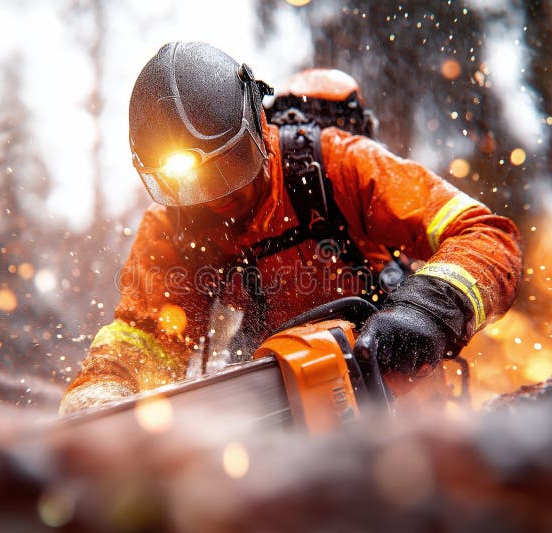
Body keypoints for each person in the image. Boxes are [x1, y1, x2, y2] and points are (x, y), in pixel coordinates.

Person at [59, 42, 522, 415]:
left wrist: (429, 312)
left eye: (232, 163)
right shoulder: (175, 228)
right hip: (274, 403)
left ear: (260, 124)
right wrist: (102, 392)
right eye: (189, 182)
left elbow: (486, 234)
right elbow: (146, 334)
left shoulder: (338, 165)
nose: (218, 196)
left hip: (398, 393)